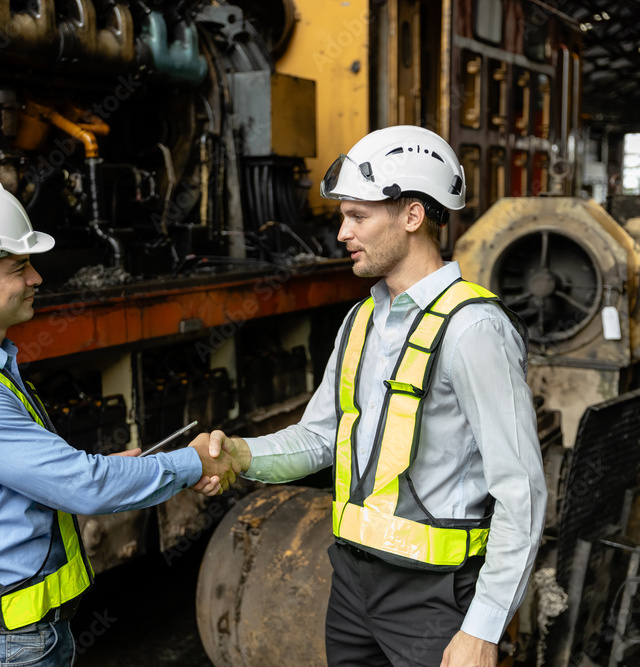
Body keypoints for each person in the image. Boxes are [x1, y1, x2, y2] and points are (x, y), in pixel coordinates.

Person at [208, 126, 546, 667]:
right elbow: (321, 437)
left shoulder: (474, 329)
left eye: (357, 217)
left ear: (412, 216)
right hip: (352, 583)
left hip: (434, 597)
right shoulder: (361, 320)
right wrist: (242, 455)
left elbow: (521, 491)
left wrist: (482, 628)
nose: (342, 233)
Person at [0, 179, 239, 667]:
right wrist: (192, 462)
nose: (37, 278)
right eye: (19, 268)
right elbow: (82, 486)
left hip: (15, 635)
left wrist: (99, 470)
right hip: (5, 647)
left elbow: (43, 475)